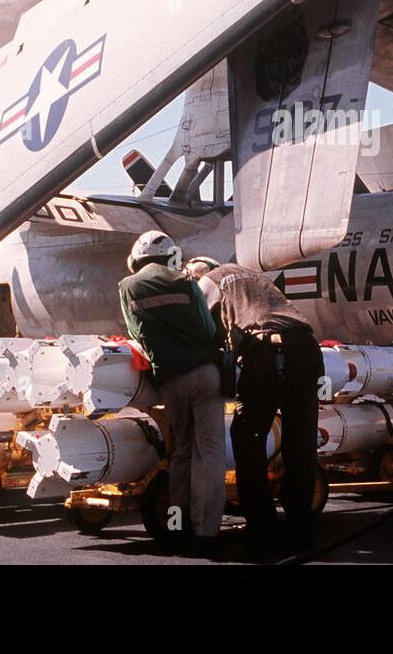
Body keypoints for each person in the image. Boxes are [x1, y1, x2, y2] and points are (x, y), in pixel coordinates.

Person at [194, 260, 324, 550]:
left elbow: (200, 328)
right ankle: (300, 525)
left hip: (266, 351)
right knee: (300, 441)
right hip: (307, 347)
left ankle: (261, 526)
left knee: (247, 438)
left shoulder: (209, 282)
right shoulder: (253, 276)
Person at [118, 231, 225, 556]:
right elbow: (208, 330)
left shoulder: (127, 287)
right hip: (205, 375)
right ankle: (205, 531)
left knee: (181, 452)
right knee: (210, 452)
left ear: (136, 259)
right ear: (169, 257)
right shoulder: (185, 281)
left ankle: (176, 525)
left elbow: (134, 331)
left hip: (170, 380)